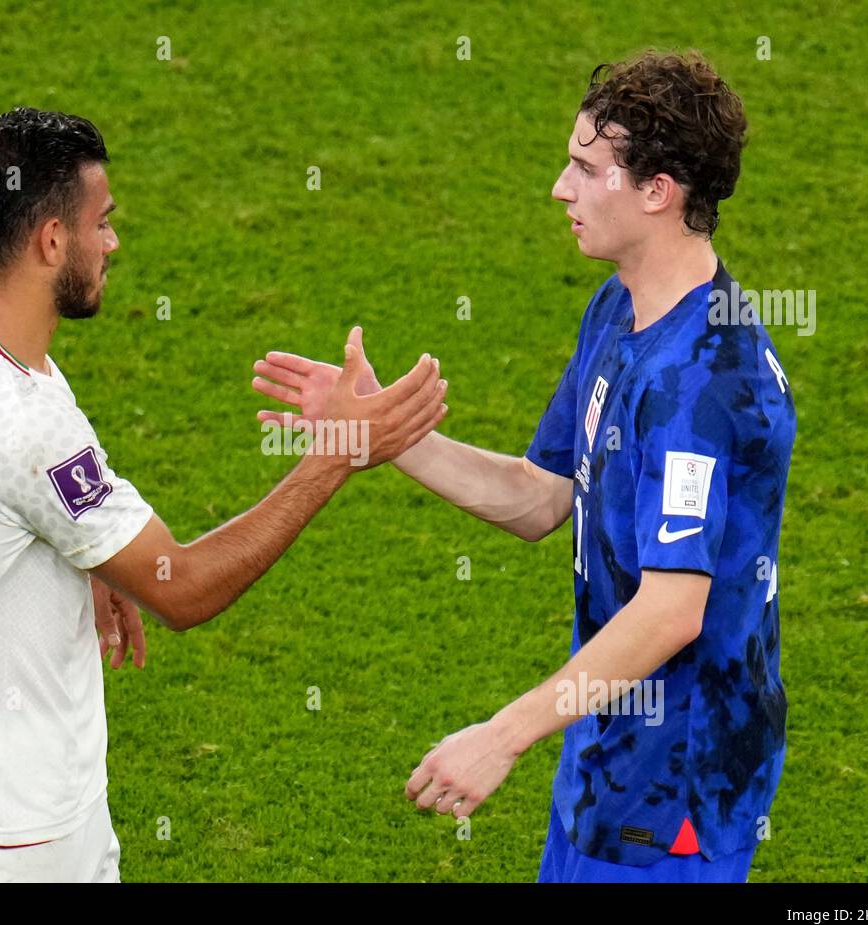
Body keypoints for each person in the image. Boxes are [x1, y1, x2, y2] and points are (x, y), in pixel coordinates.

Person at [0, 107, 448, 883]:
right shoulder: (27, 423)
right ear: (51, 241)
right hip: (17, 838)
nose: (112, 243)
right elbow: (186, 588)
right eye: (101, 222)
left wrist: (82, 558)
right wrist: (335, 455)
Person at [252, 51, 795, 882]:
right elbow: (542, 496)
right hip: (610, 754)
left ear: (658, 191)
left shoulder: (704, 384)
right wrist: (388, 436)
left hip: (674, 793)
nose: (559, 188)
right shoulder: (620, 308)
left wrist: (501, 735)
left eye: (586, 168)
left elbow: (672, 612)